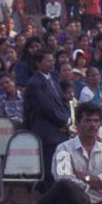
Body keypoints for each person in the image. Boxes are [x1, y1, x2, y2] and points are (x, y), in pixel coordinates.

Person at [54, 102, 102, 204]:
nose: (93, 125)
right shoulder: (63, 150)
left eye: (96, 121)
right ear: (77, 123)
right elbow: (64, 181)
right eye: (88, 120)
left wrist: (83, 177)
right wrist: (97, 184)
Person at [23, 51, 72, 187]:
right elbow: (45, 108)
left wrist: (67, 119)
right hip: (48, 131)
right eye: (48, 60)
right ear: (38, 63)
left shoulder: (53, 78)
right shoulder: (35, 83)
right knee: (51, 167)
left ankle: (64, 191)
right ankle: (51, 196)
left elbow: (62, 100)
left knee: (62, 164)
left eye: (52, 60)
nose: (52, 63)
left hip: (61, 129)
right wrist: (63, 121)